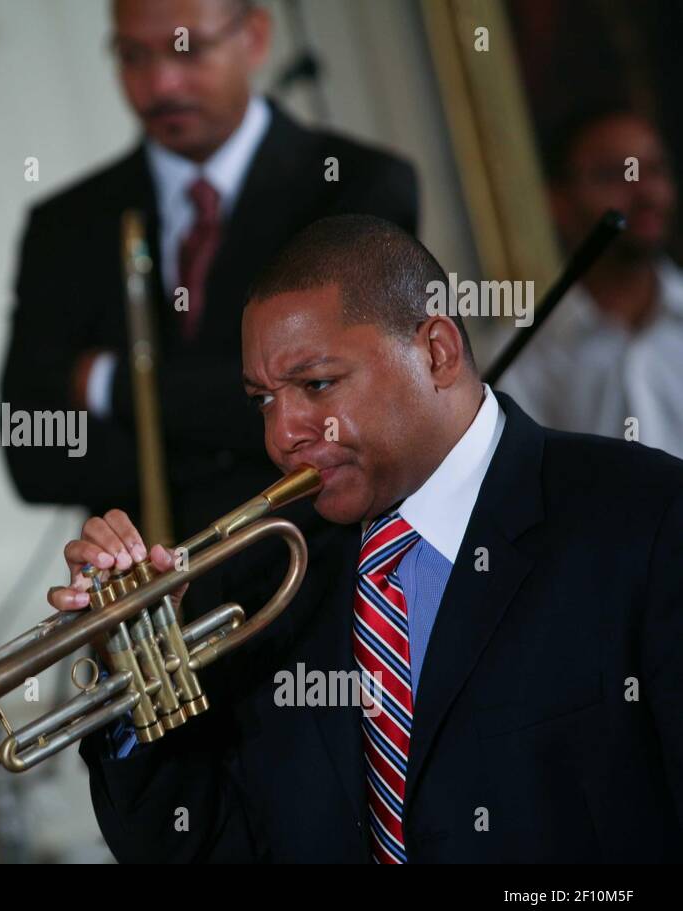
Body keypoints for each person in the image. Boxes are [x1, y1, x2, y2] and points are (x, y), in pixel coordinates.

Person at [55, 214, 683, 862]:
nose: (282, 435)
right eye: (262, 400)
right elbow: (205, 846)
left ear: (436, 352)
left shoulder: (648, 518)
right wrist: (130, 671)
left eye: (316, 384)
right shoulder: (265, 584)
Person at [1, 0, 417, 610]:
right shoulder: (64, 226)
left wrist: (114, 386)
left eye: (186, 50)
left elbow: (353, 407)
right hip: (151, 615)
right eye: (132, 57)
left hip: (329, 588)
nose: (160, 83)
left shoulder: (357, 184)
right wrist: (232, 425)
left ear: (254, 36)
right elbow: (31, 450)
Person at [502, 107, 683, 459]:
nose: (645, 193)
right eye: (615, 175)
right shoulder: (522, 357)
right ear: (558, 201)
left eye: (655, 170)